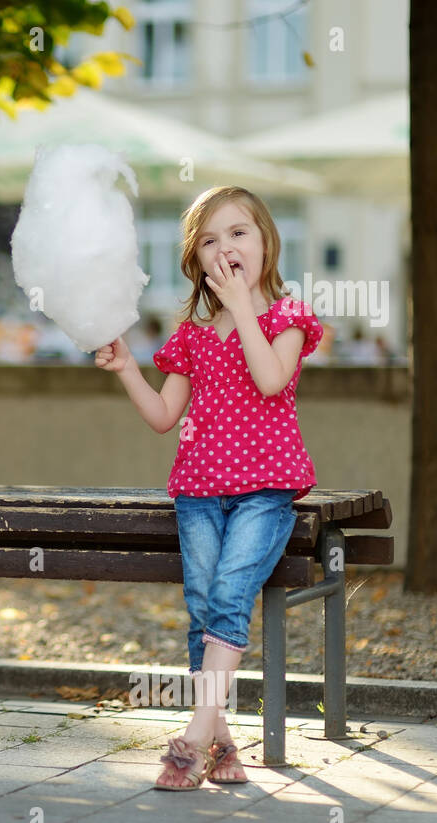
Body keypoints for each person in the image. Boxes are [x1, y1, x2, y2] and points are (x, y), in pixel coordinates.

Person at [94, 185, 324, 791]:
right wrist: (126, 371)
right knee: (202, 609)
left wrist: (244, 305)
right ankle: (222, 746)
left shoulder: (288, 318)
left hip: (265, 491)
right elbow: (164, 415)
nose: (225, 248)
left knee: (228, 595)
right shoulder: (192, 336)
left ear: (267, 242)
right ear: (196, 260)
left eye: (238, 233)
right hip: (198, 490)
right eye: (210, 240)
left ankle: (193, 740)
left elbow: (271, 381)